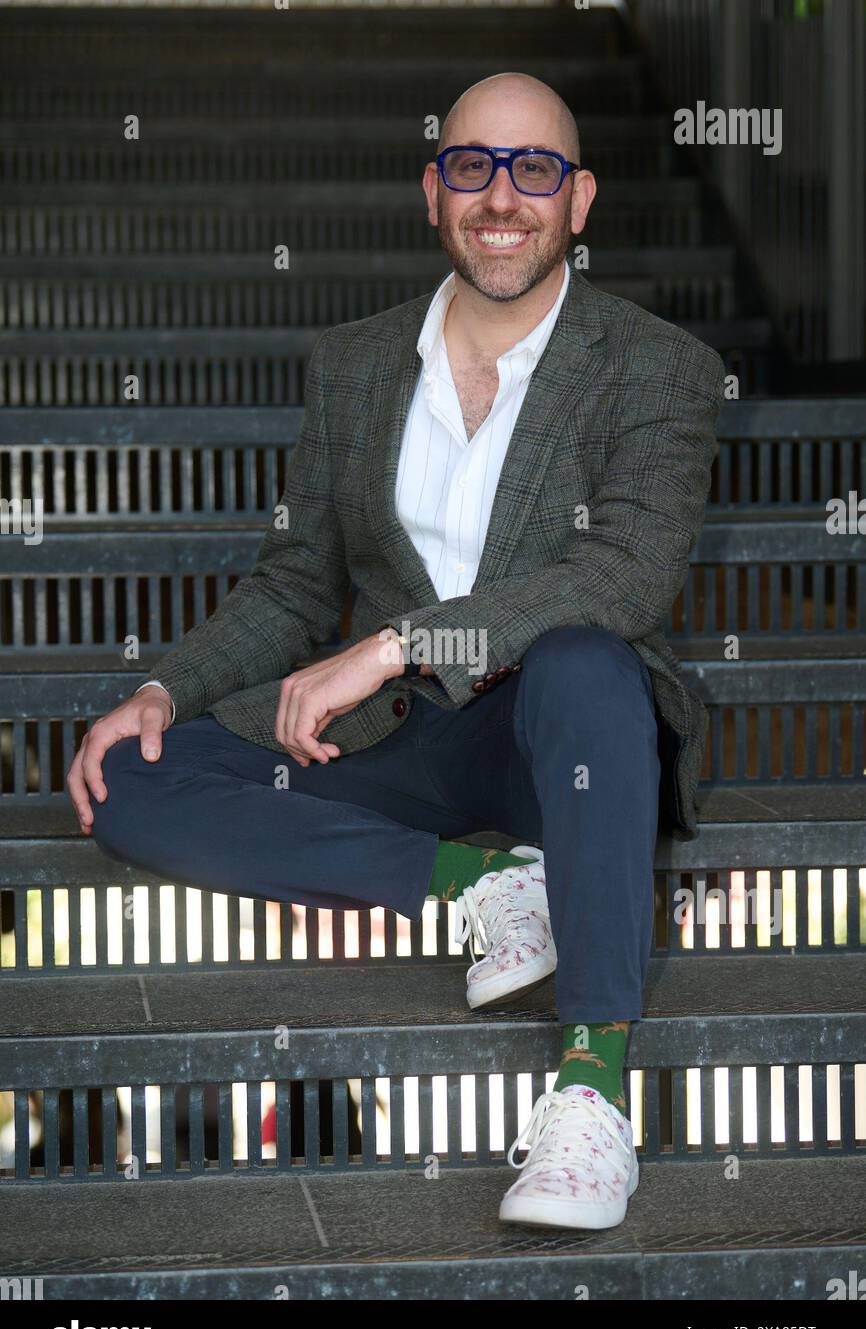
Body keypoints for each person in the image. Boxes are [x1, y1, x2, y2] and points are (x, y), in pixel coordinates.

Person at [67, 73, 726, 1231]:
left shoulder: (654, 365)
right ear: (434, 191)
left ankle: (589, 1088)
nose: (501, 196)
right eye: (473, 166)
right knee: (129, 779)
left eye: (535, 170)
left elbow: (619, 574)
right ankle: (480, 887)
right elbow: (291, 583)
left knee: (583, 656)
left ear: (578, 201)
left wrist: (386, 646)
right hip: (405, 740)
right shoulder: (354, 366)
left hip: (562, 737)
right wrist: (164, 688)